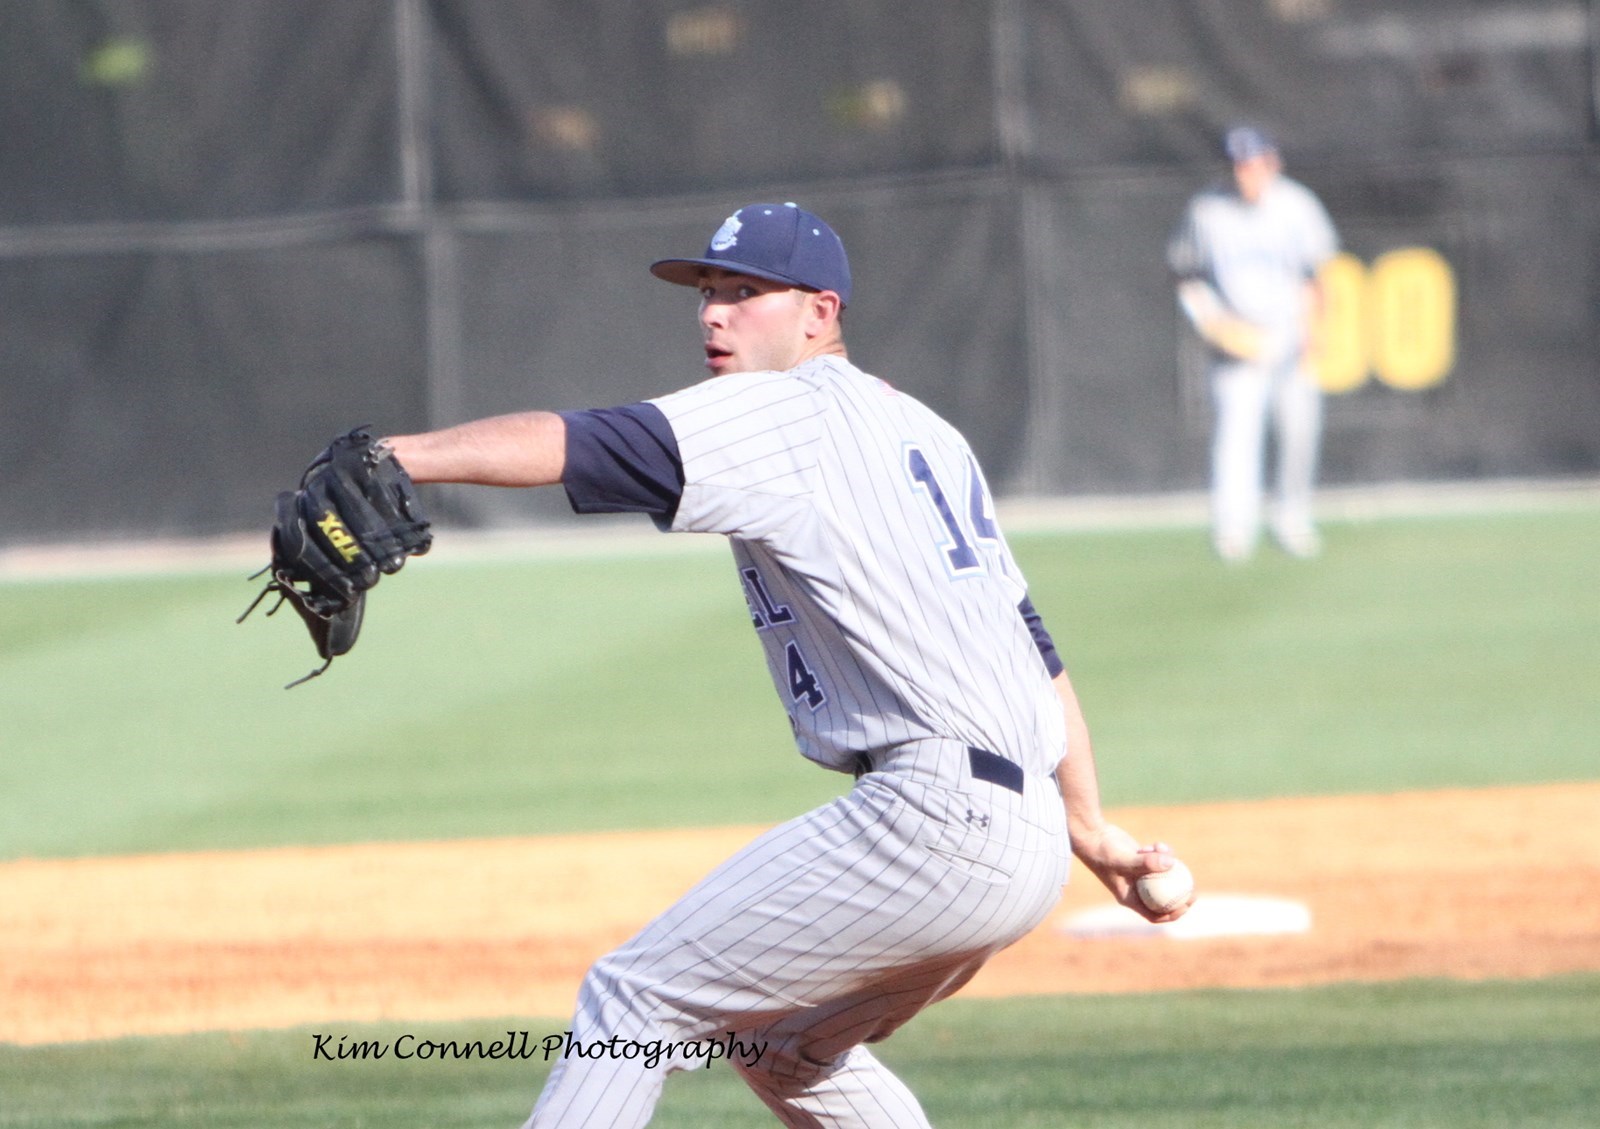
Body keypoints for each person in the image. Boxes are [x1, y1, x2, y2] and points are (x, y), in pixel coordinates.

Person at [382, 202, 1193, 1128]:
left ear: (820, 311)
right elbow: (1027, 635)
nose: (712, 313)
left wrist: (397, 455)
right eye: (708, 293)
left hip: (933, 816)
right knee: (786, 1047)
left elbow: (588, 443)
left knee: (633, 1000)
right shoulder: (928, 431)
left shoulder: (784, 409)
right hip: (1025, 843)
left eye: (743, 291)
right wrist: (1088, 826)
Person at [1167, 126, 1340, 561]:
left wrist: (1317, 330)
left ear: (1272, 163)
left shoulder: (1296, 205)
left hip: (1289, 333)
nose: (1246, 174)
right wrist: (1214, 325)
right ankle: (1233, 530)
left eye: (1254, 165)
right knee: (1235, 435)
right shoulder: (1207, 210)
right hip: (1236, 337)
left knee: (1299, 431)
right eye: (1239, 166)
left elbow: (1320, 274)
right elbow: (1185, 275)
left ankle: (1291, 518)